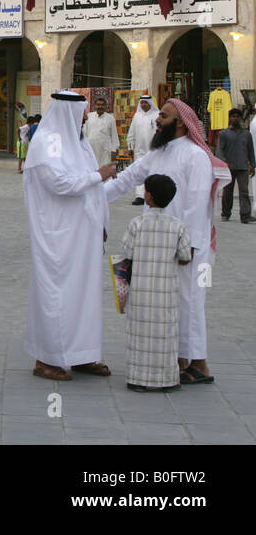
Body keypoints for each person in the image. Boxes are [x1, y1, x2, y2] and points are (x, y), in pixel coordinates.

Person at [103, 99, 229, 384]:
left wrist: (188, 248)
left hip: (189, 247)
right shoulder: (157, 153)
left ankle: (199, 364)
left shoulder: (195, 156)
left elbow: (197, 207)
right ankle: (180, 359)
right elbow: (126, 180)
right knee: (171, 304)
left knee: (191, 302)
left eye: (163, 115)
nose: (157, 120)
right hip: (160, 244)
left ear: (181, 123)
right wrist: (92, 196)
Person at [23, 91, 118, 381]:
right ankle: (46, 359)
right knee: (56, 295)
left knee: (85, 295)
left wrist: (101, 222)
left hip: (83, 235)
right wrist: (98, 176)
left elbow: (91, 189)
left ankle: (81, 355)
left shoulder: (78, 144)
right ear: (68, 114)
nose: (86, 117)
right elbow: (59, 183)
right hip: (58, 237)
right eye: (82, 114)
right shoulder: (45, 143)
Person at [120, 174, 193, 392]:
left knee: (139, 334)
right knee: (165, 335)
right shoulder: (177, 226)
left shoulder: (136, 224)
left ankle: (137, 378)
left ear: (148, 196)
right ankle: (166, 380)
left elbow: (127, 254)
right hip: (166, 293)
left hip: (141, 292)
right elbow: (185, 256)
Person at [215, 110, 254, 223]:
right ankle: (226, 213)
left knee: (244, 191)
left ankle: (245, 215)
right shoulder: (224, 134)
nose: (235, 118)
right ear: (229, 118)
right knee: (227, 191)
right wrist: (223, 163)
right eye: (233, 116)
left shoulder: (247, 134)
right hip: (229, 167)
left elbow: (251, 150)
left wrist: (253, 165)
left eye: (237, 116)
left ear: (241, 119)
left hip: (242, 167)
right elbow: (219, 151)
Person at [126, 95, 160, 205]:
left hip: (153, 149)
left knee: (153, 171)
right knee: (139, 171)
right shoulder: (137, 116)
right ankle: (140, 196)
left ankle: (153, 194)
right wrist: (130, 146)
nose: (144, 104)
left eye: (146, 102)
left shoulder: (156, 115)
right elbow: (131, 132)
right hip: (139, 150)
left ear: (150, 103)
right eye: (142, 103)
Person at [85, 96, 120, 170]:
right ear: (95, 106)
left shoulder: (110, 118)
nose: (100, 106)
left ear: (105, 106)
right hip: (91, 150)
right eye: (98, 104)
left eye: (102, 105)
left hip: (105, 151)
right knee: (92, 171)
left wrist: (114, 150)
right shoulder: (89, 117)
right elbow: (84, 134)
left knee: (105, 172)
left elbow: (114, 136)